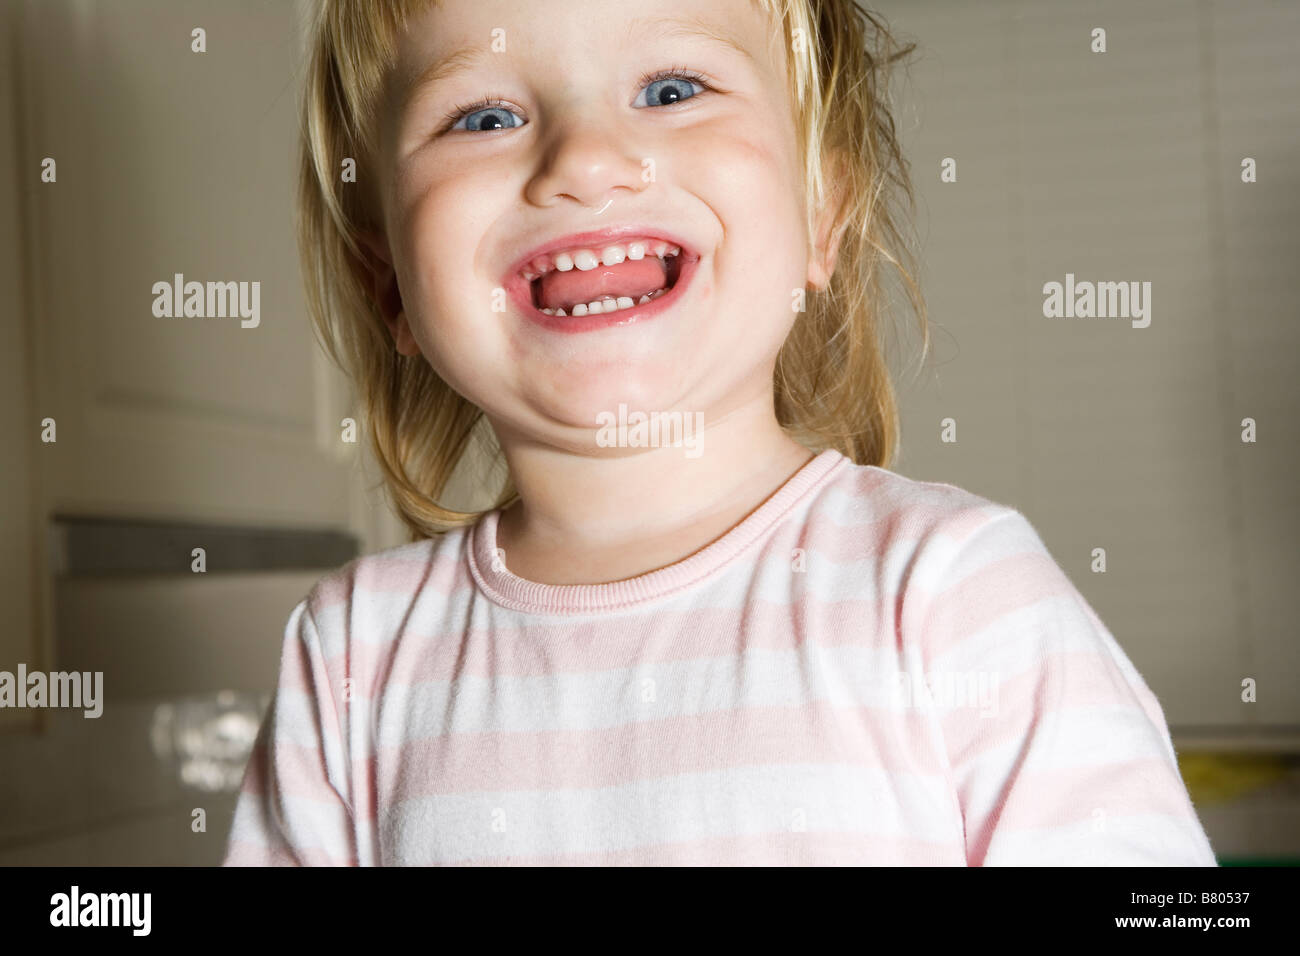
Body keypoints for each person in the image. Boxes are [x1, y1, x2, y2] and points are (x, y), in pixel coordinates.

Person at [223, 0, 1216, 866]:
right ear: (386, 279)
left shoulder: (954, 594)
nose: (586, 161)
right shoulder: (351, 657)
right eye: (484, 115)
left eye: (670, 88)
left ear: (821, 213)